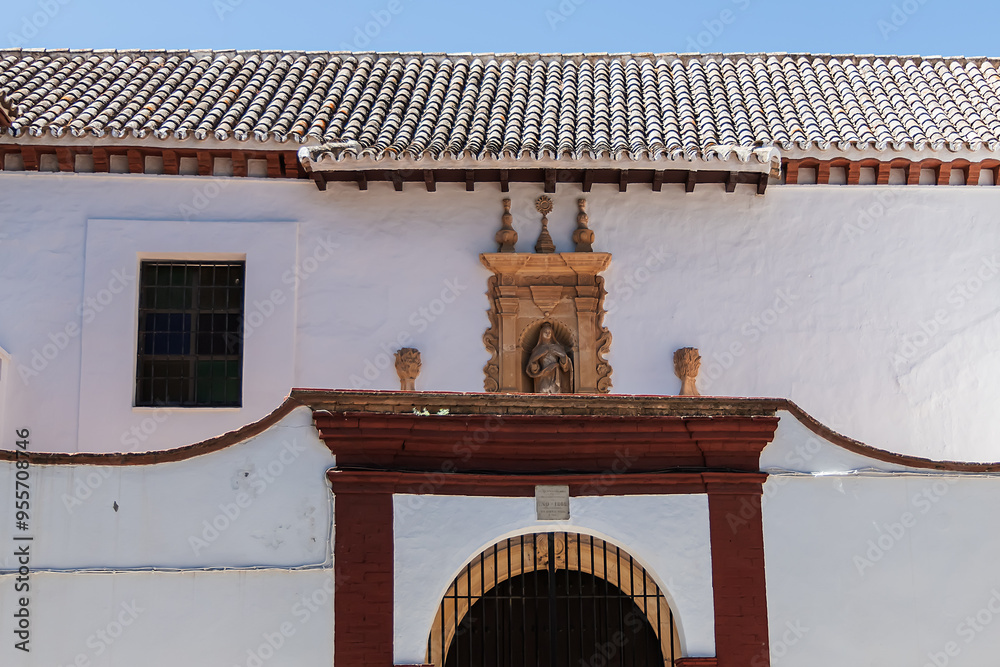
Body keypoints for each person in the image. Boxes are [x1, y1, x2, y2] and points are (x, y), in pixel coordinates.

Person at [525, 323, 572, 393]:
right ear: (541, 334)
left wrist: (563, 358)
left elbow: (566, 368)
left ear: (552, 334)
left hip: (556, 375)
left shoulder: (557, 348)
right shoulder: (538, 349)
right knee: (542, 392)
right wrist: (534, 366)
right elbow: (533, 366)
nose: (547, 334)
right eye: (545, 332)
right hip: (543, 375)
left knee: (556, 394)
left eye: (549, 332)